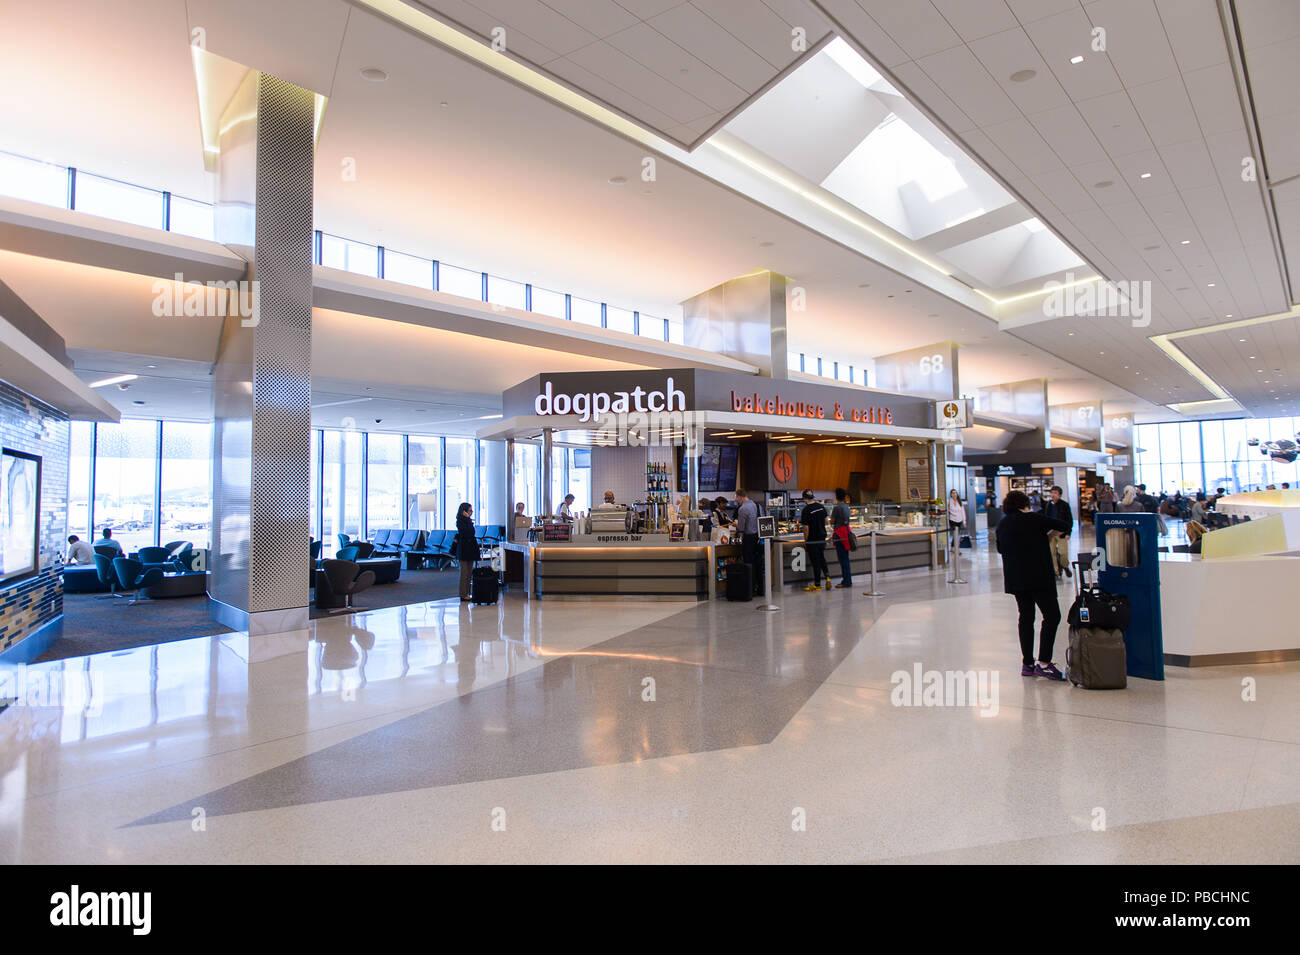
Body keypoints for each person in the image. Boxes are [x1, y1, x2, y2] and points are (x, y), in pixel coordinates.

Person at [996, 490, 1071, 680]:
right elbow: (1064, 525)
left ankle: (1027, 663)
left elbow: (1000, 549)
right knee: (1052, 616)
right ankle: (1044, 662)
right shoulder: (1034, 519)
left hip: (1016, 579)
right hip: (1038, 577)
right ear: (1025, 504)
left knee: (1026, 617)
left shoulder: (1002, 524)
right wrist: (1047, 535)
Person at [798, 490, 830, 592]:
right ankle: (828, 577)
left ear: (804, 498)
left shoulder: (806, 510)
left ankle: (817, 584)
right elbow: (826, 521)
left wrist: (806, 541)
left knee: (815, 561)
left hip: (813, 539)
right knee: (821, 558)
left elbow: (806, 528)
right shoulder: (821, 506)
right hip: (822, 537)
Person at [1041, 485, 1073, 579]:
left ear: (1060, 495)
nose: (1053, 495)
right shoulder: (1048, 505)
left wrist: (1068, 533)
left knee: (1063, 552)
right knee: (1051, 553)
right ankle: (1056, 572)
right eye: (1052, 493)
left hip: (1061, 532)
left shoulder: (1064, 505)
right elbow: (1045, 519)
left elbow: (1069, 520)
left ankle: (1065, 566)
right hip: (1050, 533)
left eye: (1055, 493)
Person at [734, 489, 761, 596]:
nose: (736, 500)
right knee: (757, 563)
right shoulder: (755, 505)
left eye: (736, 497)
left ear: (740, 496)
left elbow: (741, 527)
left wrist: (735, 525)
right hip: (757, 537)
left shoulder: (743, 508)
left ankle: (750, 588)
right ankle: (759, 587)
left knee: (748, 563)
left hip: (748, 538)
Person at [454, 502, 480, 601]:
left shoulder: (468, 520)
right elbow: (468, 532)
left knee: (469, 572)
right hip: (464, 548)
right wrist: (467, 519)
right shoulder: (461, 521)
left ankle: (467, 592)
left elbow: (472, 532)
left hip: (470, 548)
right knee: (464, 572)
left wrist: (468, 519)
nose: (471, 512)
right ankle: (462, 593)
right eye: (470, 510)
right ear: (464, 511)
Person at [830, 487, 853, 588]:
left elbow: (832, 521)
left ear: (836, 496)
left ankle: (846, 581)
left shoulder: (837, 508)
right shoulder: (846, 507)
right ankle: (847, 579)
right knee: (846, 558)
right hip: (846, 533)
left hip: (839, 535)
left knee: (842, 559)